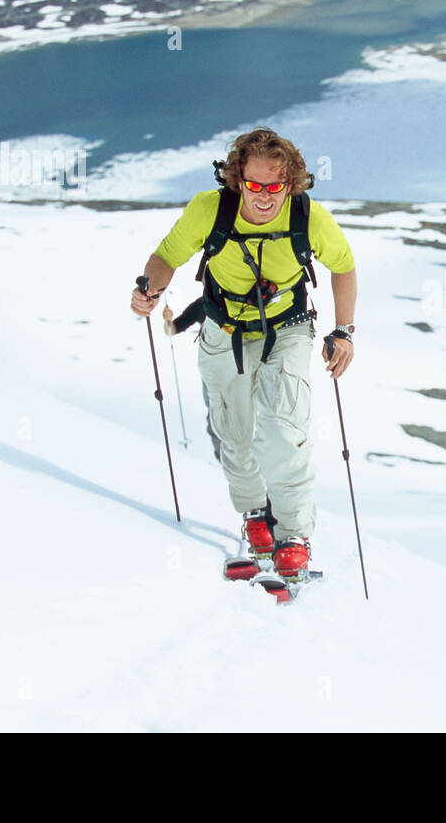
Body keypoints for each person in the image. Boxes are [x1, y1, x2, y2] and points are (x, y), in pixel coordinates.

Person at [130, 128, 357, 581]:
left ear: (290, 183)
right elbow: (166, 256)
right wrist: (149, 289)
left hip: (287, 329)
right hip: (223, 328)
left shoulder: (308, 218)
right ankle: (256, 515)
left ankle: (293, 535)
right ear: (238, 180)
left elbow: (343, 266)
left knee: (281, 426)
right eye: (254, 185)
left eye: (275, 187)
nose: (264, 196)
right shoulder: (208, 210)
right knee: (233, 433)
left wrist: (344, 331)